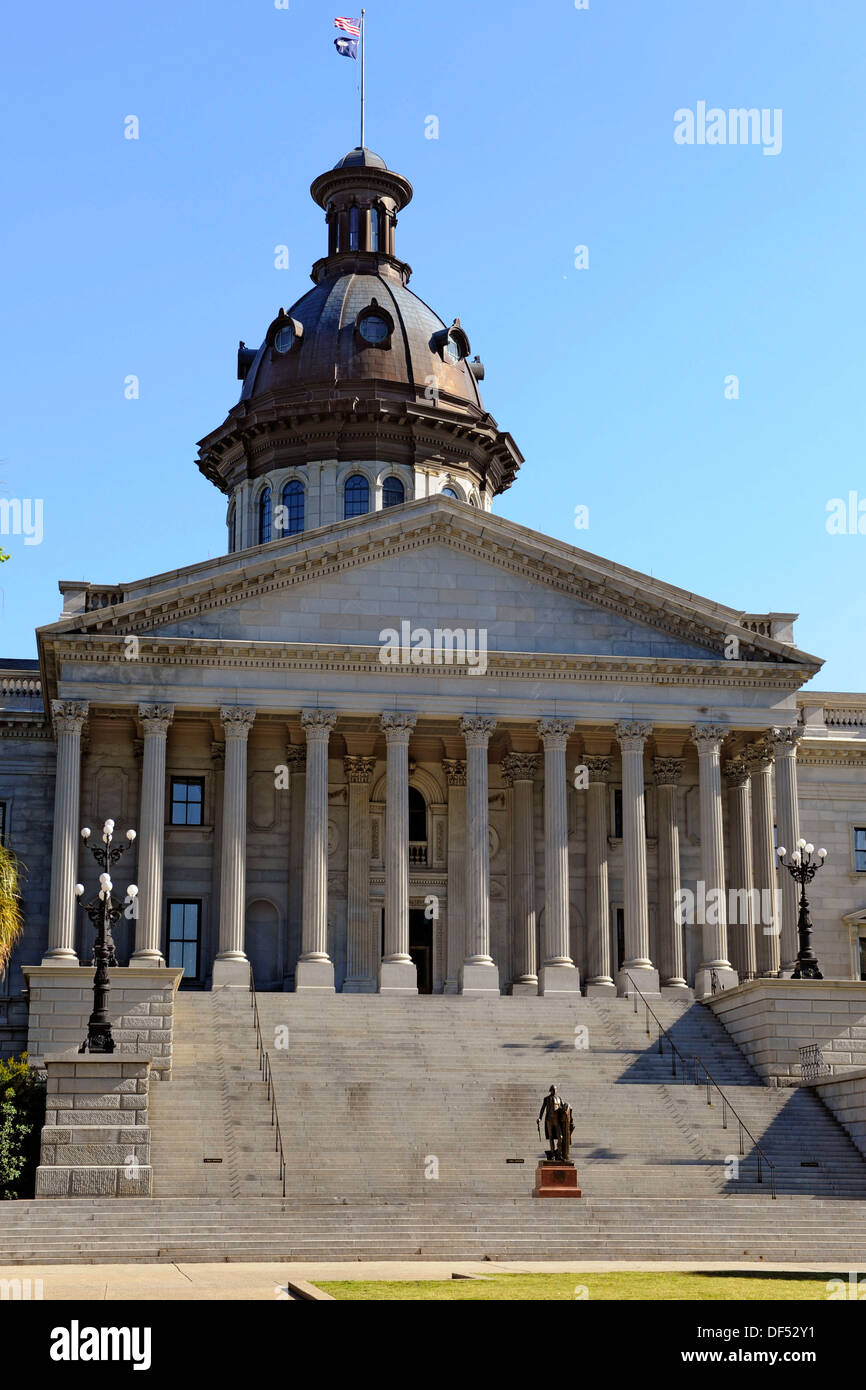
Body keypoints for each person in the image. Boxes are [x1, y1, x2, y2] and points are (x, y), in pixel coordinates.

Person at [538, 1084, 573, 1162]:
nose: (555, 1091)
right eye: (553, 1089)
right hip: (549, 1120)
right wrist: (540, 1118)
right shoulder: (546, 1099)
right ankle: (553, 1154)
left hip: (557, 1121)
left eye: (556, 1089)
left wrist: (569, 1107)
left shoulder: (559, 1098)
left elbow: (563, 1106)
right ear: (550, 1090)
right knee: (551, 1138)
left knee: (560, 1137)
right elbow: (542, 1109)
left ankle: (559, 1153)